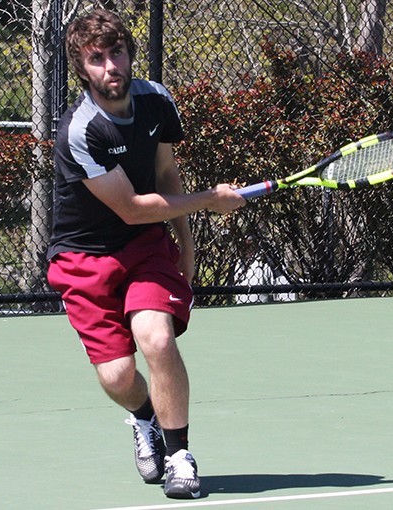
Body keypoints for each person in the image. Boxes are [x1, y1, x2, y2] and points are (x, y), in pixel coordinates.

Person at [45, 8, 245, 500]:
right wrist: (212, 201)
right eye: (97, 58)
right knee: (116, 377)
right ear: (83, 69)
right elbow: (133, 208)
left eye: (117, 52)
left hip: (145, 248)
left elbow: (166, 175)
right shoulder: (81, 130)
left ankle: (180, 454)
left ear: (130, 54)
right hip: (83, 256)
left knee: (156, 340)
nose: (111, 65)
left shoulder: (156, 101)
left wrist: (187, 244)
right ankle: (144, 417)